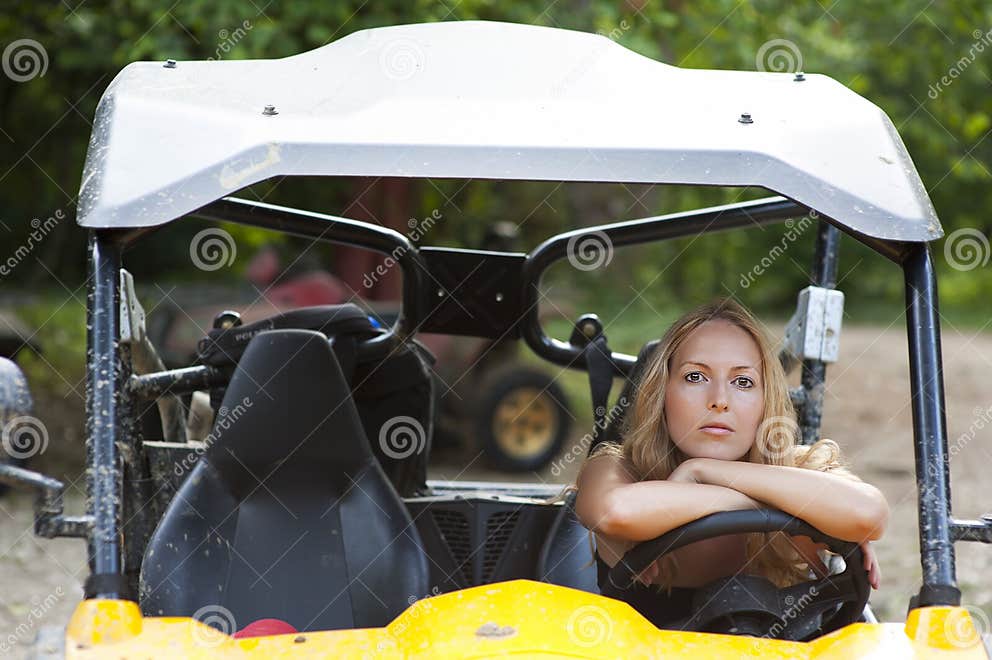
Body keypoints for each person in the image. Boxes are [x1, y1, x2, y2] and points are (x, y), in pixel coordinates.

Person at [573, 299, 888, 628]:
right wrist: (765, 501)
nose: (720, 401)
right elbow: (615, 511)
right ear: (661, 393)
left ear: (766, 402)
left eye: (743, 382)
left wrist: (702, 472)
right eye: (695, 377)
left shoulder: (798, 469)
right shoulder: (618, 468)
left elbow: (871, 513)